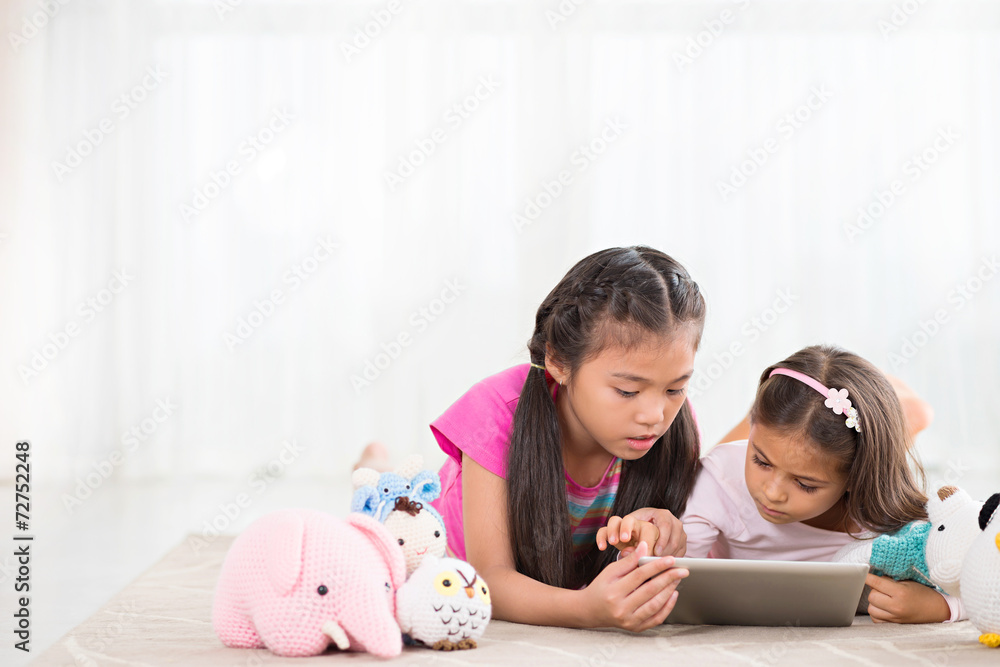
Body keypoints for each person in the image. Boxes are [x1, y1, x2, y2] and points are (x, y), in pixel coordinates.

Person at [394, 246, 707, 631]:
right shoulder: (496, 413)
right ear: (558, 361)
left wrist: (657, 536)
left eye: (675, 389)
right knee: (387, 508)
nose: (654, 415)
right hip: (417, 528)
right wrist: (585, 609)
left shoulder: (677, 428)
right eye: (627, 391)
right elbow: (489, 578)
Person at [597, 344, 960, 623]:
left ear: (855, 479)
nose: (771, 493)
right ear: (751, 427)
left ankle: (906, 414)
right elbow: (673, 573)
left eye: (805, 484)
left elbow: (976, 576)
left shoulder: (883, 516)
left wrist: (941, 607)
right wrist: (644, 549)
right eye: (760, 461)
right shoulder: (720, 477)